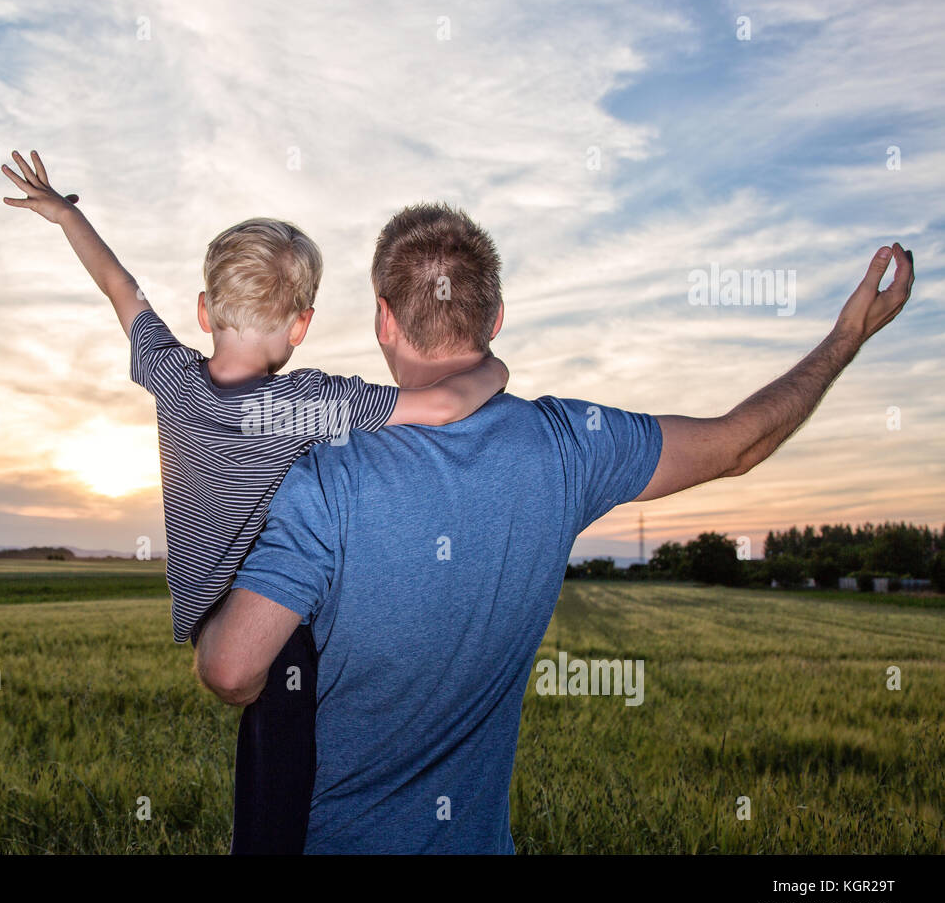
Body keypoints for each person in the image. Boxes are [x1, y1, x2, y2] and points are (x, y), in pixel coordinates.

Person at [194, 202, 915, 853]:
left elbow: (232, 671)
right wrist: (846, 336)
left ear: (385, 320)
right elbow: (739, 443)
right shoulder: (570, 445)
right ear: (495, 316)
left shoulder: (327, 474)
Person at [0, 153, 509, 852]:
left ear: (206, 311)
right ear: (300, 326)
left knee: (265, 776)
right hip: (280, 619)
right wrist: (494, 368)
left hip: (210, 613)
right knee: (293, 785)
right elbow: (444, 404)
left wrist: (66, 214)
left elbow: (121, 288)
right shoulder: (305, 403)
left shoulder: (171, 377)